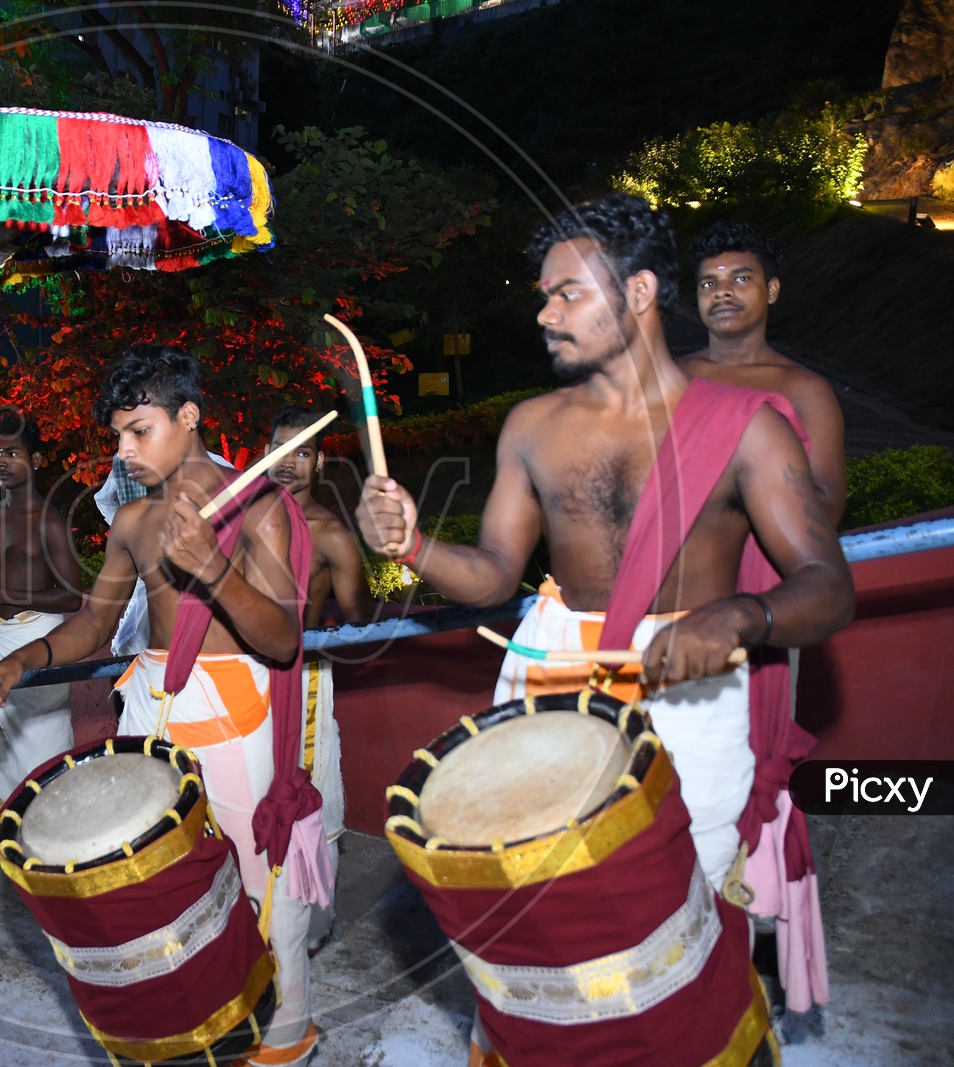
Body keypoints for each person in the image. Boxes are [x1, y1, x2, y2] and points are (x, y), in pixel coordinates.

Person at [357, 194, 854, 1061]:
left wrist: (746, 612)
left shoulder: (748, 428)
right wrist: (413, 543)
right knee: (535, 926)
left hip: (689, 689)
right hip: (551, 678)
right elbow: (492, 577)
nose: (545, 313)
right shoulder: (532, 428)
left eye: (567, 294)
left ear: (639, 294)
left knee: (676, 926)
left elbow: (829, 586)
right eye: (543, 295)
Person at [0, 346, 324, 1067]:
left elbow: (283, 638)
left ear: (189, 416)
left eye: (139, 430)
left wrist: (213, 570)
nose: (124, 450)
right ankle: (189, 1040)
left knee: (256, 891)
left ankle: (278, 1043)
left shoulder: (258, 504)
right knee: (162, 892)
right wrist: (26, 659)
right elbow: (91, 627)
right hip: (153, 713)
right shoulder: (134, 522)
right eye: (116, 436)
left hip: (235, 720)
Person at [269, 407, 380, 953]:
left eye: (303, 451)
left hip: (302, 675)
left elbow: (359, 619)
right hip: (239, 675)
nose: (288, 461)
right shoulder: (235, 517)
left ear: (319, 463)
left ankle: (310, 925)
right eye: (280, 447)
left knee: (308, 791)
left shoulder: (330, 534)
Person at [680, 221, 847, 525]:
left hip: (765, 564)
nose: (722, 293)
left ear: (771, 290)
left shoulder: (804, 389)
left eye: (741, 279)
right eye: (708, 284)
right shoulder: (671, 377)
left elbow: (828, 504)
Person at [0, 410, 82, 812]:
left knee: (42, 738)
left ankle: (53, 821)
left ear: (34, 461)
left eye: (12, 453)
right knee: (1, 734)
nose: (1, 461)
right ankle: (7, 825)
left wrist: (2, 591)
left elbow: (71, 596)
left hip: (38, 639)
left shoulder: (50, 521)